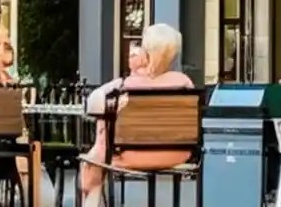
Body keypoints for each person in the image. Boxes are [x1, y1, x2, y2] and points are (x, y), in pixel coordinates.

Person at [80, 24, 195, 207]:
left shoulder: (127, 85)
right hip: (177, 154)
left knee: (96, 156)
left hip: (132, 155)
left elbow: (92, 105)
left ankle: (92, 200)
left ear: (146, 53)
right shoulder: (185, 84)